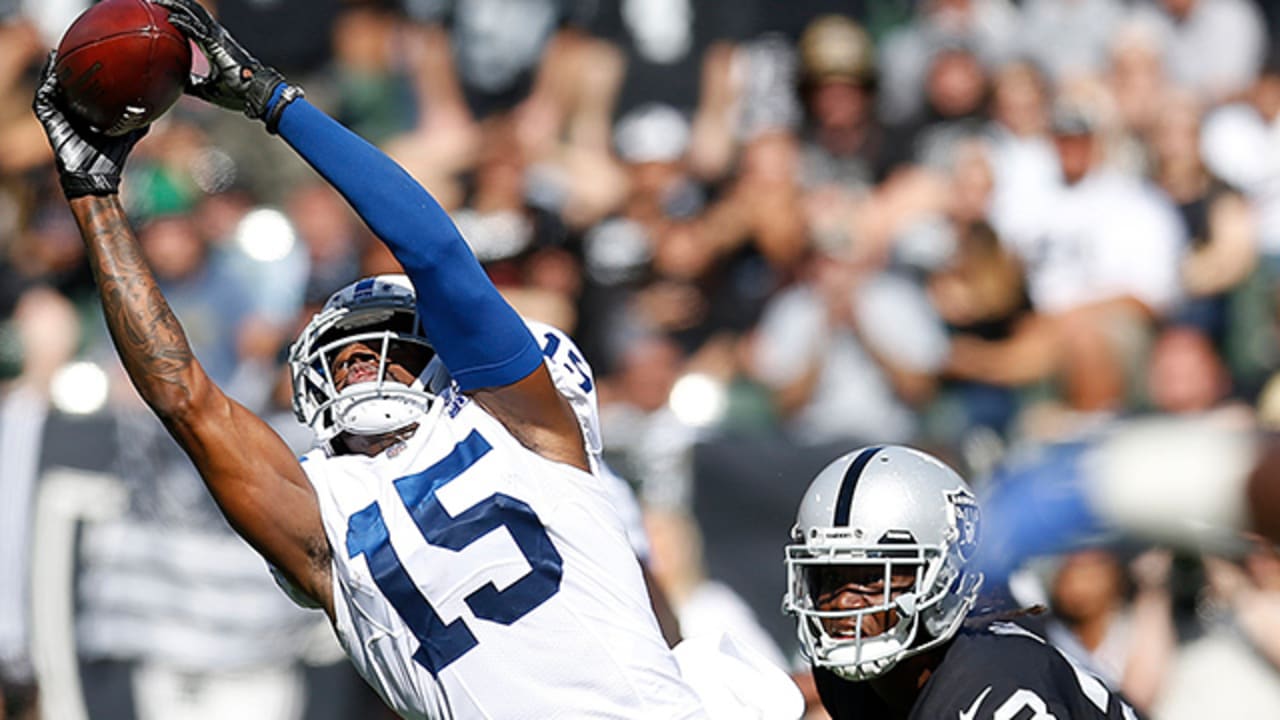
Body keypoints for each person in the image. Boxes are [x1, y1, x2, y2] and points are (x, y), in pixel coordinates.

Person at [33, 1, 800, 717]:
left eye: (383, 346)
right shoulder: (321, 515)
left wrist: (273, 101)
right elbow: (184, 398)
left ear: (441, 364)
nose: (361, 363)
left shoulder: (530, 435)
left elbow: (434, 253)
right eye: (342, 354)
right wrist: (92, 193)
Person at [782, 445, 1143, 719]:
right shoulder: (852, 678)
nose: (845, 601)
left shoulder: (999, 685)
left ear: (944, 578)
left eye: (875, 577)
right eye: (830, 576)